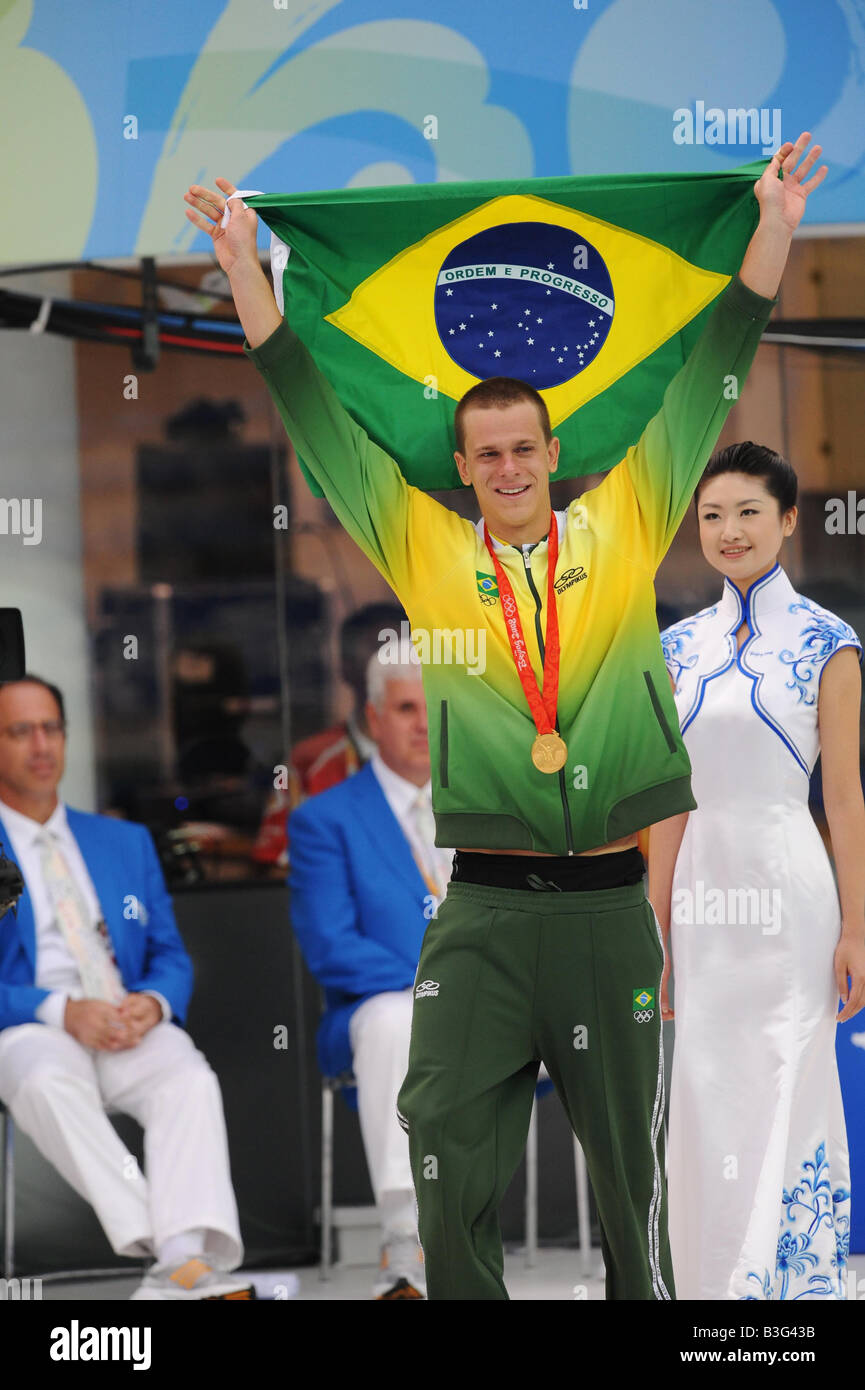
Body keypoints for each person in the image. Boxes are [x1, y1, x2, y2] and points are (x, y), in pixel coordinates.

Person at [184, 132, 825, 1300]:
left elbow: (710, 377)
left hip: (604, 912)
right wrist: (243, 271)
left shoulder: (624, 521)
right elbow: (320, 426)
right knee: (440, 1141)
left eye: (525, 446)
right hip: (479, 907)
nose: (510, 466)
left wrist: (772, 227)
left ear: (554, 450)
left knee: (631, 1184)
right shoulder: (426, 547)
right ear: (465, 466)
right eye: (488, 453)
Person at [648, 443, 865, 1300]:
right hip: (701, 900)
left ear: (786, 519)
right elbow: (666, 805)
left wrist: (856, 925)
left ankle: (781, 1308)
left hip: (789, 893)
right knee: (702, 1091)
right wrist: (653, 925)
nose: (728, 530)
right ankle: (709, 1304)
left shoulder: (828, 643)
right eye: (711, 515)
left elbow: (843, 799)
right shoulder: (673, 649)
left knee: (788, 1084)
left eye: (747, 512)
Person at [0, 676, 249, 1300]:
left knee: (186, 1075)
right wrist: (60, 1010)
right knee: (44, 1077)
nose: (40, 744)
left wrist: (154, 1002)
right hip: (31, 1028)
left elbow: (168, 954)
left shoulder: (121, 841)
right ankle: (173, 1254)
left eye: (51, 728)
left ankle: (177, 1269)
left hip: (121, 1018)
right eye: (19, 730)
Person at [289, 641, 452, 1298]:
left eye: (433, 708)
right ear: (373, 718)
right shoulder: (325, 818)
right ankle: (404, 1238)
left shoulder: (489, 801)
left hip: (498, 1004)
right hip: (383, 1010)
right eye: (406, 708)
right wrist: (435, 983)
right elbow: (330, 945)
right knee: (393, 1019)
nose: (421, 724)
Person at [253, 601, 406, 869]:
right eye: (381, 648)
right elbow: (275, 864)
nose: (395, 662)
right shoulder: (307, 762)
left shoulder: (452, 758)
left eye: (407, 649)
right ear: (345, 667)